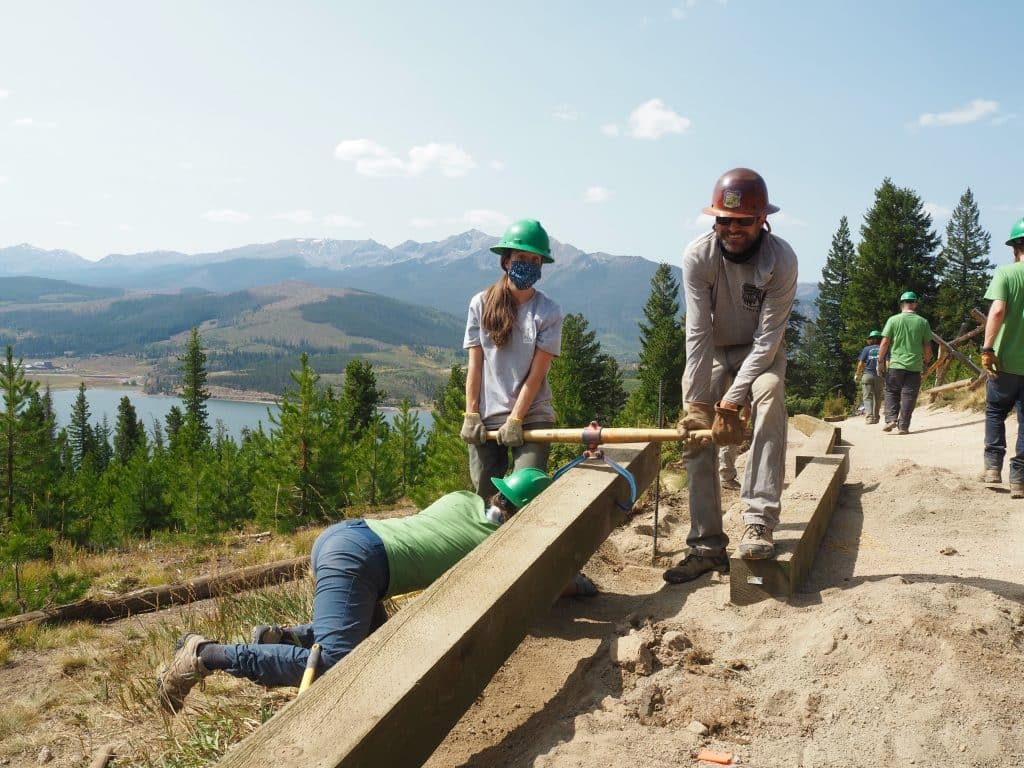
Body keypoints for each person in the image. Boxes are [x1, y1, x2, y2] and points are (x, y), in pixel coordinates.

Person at [156, 468, 553, 713]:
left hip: (347, 535)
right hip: (359, 563)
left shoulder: (463, 499)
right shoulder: (491, 549)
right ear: (525, 515)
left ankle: (287, 638)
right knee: (335, 664)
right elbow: (546, 583)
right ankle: (206, 655)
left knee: (379, 644)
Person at [664, 168, 797, 584]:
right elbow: (698, 332)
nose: (732, 228)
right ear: (714, 220)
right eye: (724, 220)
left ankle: (758, 521)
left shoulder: (782, 259)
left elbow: (768, 339)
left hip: (761, 352)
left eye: (743, 221)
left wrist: (733, 399)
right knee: (696, 431)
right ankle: (706, 545)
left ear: (762, 221)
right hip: (714, 350)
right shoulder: (698, 256)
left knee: (771, 394)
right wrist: (700, 403)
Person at [460, 219, 562, 500]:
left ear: (541, 265)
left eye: (534, 259)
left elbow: (536, 375)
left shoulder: (548, 311)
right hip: (487, 418)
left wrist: (517, 419)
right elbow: (475, 366)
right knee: (485, 496)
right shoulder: (480, 304)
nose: (527, 264)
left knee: (523, 494)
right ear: (506, 261)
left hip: (531, 417)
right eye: (520, 258)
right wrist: (471, 414)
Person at [979, 217, 1024, 499]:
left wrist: (987, 349)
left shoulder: (1007, 274)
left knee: (996, 410)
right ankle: (1020, 479)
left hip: (1005, 362)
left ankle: (993, 468)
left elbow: (996, 312)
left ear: (1015, 246)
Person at [877, 292, 932, 435]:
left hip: (896, 364)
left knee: (891, 392)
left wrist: (880, 361)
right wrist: (926, 363)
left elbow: (884, 343)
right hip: (914, 366)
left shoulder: (893, 320)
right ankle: (904, 426)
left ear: (902, 304)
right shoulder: (923, 322)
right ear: (915, 304)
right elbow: (927, 347)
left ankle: (891, 419)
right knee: (909, 396)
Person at [854, 330, 885, 424]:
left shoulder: (866, 349)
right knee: (878, 397)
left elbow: (861, 363)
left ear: (871, 339)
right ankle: (876, 418)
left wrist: (857, 374)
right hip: (879, 376)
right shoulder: (884, 348)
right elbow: (888, 362)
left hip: (867, 375)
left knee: (867, 397)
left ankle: (869, 418)